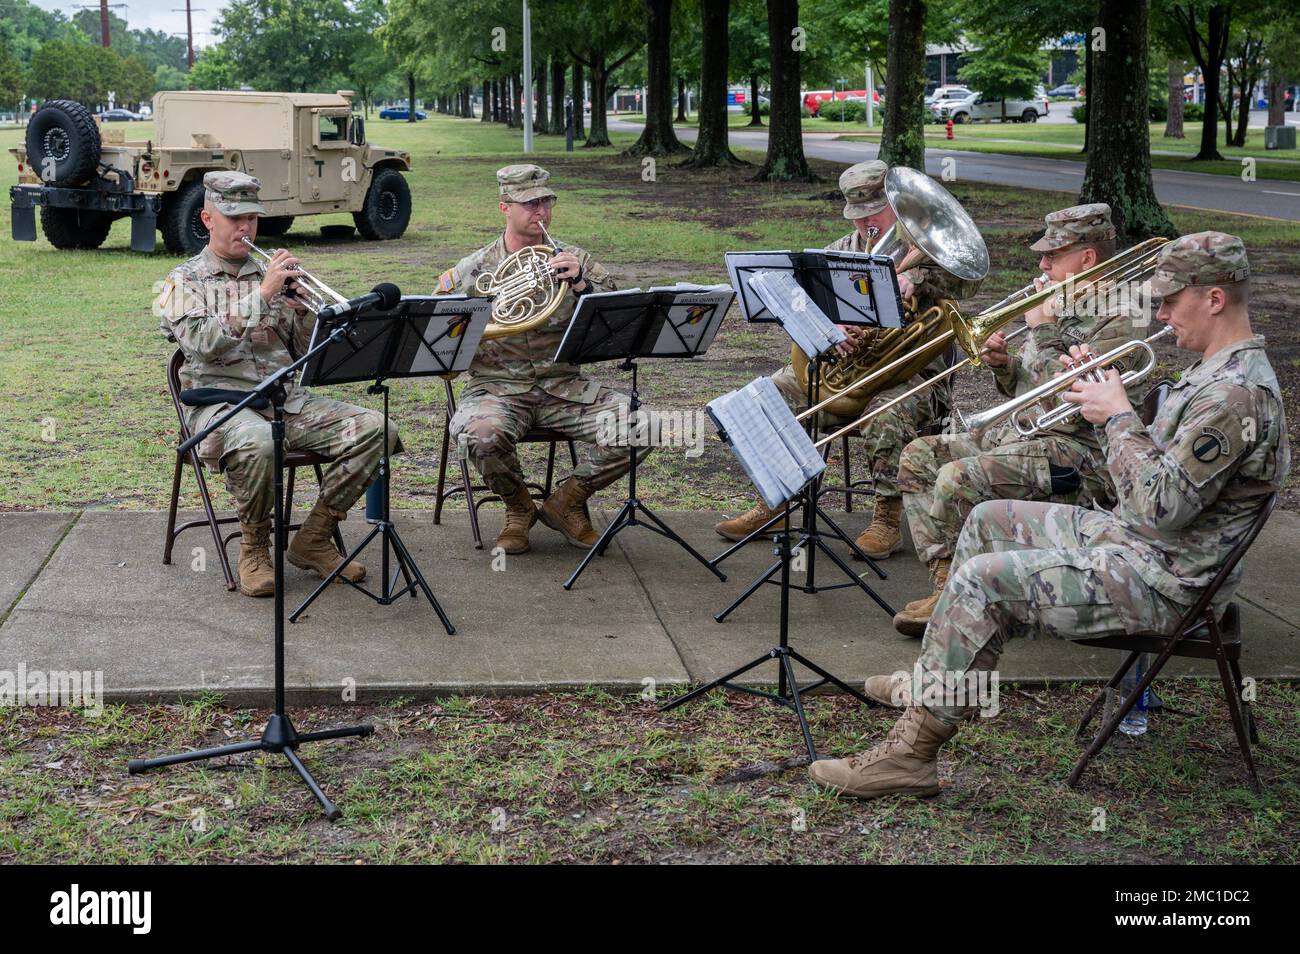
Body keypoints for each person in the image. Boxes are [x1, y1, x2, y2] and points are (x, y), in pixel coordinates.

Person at [809, 231, 1289, 799]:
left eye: (1169, 300)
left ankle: (912, 756)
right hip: (1137, 542)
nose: (1159, 312)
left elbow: (1160, 509)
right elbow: (1145, 488)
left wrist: (1117, 419)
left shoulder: (1235, 396)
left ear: (1214, 298)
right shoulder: (1212, 375)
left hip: (1165, 579)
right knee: (988, 517)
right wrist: (1096, 399)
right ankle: (936, 682)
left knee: (982, 582)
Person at [892, 203, 1145, 636]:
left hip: (1082, 453)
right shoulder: (1060, 299)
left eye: (1053, 255)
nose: (1042, 264)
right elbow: (1024, 390)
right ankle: (949, 585)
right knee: (918, 456)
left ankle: (968, 596)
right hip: (1030, 436)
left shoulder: (1123, 314)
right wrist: (1003, 364)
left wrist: (1043, 331)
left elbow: (1077, 397)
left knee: (957, 478)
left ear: (1088, 258)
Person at [713, 160, 982, 557]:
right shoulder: (839, 252)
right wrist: (827, 329)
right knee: (768, 397)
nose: (866, 225)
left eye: (874, 215)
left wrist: (918, 279)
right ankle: (778, 502)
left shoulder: (930, 252)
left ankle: (887, 520)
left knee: (883, 415)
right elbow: (801, 306)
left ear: (898, 208)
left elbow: (971, 281)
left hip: (912, 378)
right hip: (847, 369)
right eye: (858, 217)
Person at [157, 172, 399, 597]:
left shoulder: (271, 274)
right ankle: (254, 547)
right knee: (261, 440)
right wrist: (264, 294)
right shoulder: (181, 282)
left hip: (286, 399)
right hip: (221, 406)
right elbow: (204, 344)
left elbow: (312, 353)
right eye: (234, 218)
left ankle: (315, 536)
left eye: (251, 218)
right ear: (207, 218)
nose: (245, 228)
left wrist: (304, 310)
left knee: (378, 430)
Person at [435, 164, 648, 555]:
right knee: (481, 435)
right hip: (497, 388)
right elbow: (438, 339)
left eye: (547, 202)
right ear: (504, 207)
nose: (542, 212)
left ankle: (565, 502)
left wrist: (581, 283)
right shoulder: (472, 270)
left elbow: (617, 320)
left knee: (645, 426)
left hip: (563, 386)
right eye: (530, 204)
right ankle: (518, 507)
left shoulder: (575, 258)